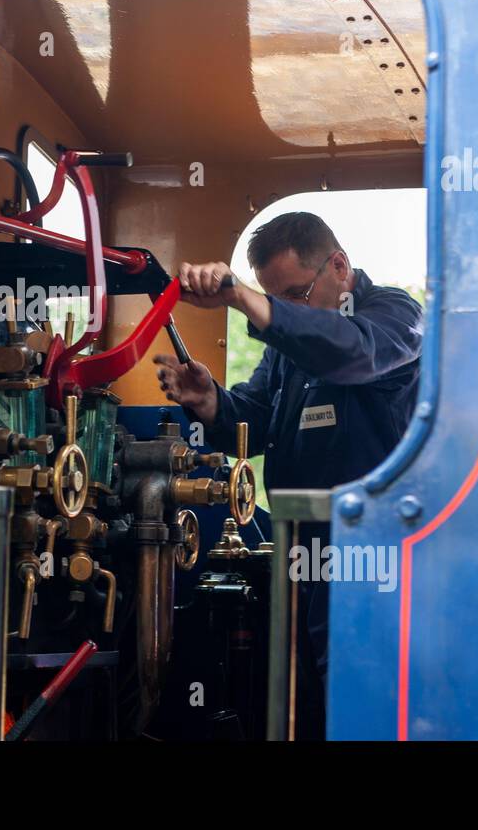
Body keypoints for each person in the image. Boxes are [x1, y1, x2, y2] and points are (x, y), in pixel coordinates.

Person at [153, 211, 423, 737]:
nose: (287, 312)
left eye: (296, 295)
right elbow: (251, 423)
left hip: (374, 559)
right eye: (277, 298)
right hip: (298, 552)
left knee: (357, 696)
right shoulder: (291, 352)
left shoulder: (391, 314)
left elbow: (351, 355)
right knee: (300, 699)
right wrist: (209, 403)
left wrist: (249, 302)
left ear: (339, 266)